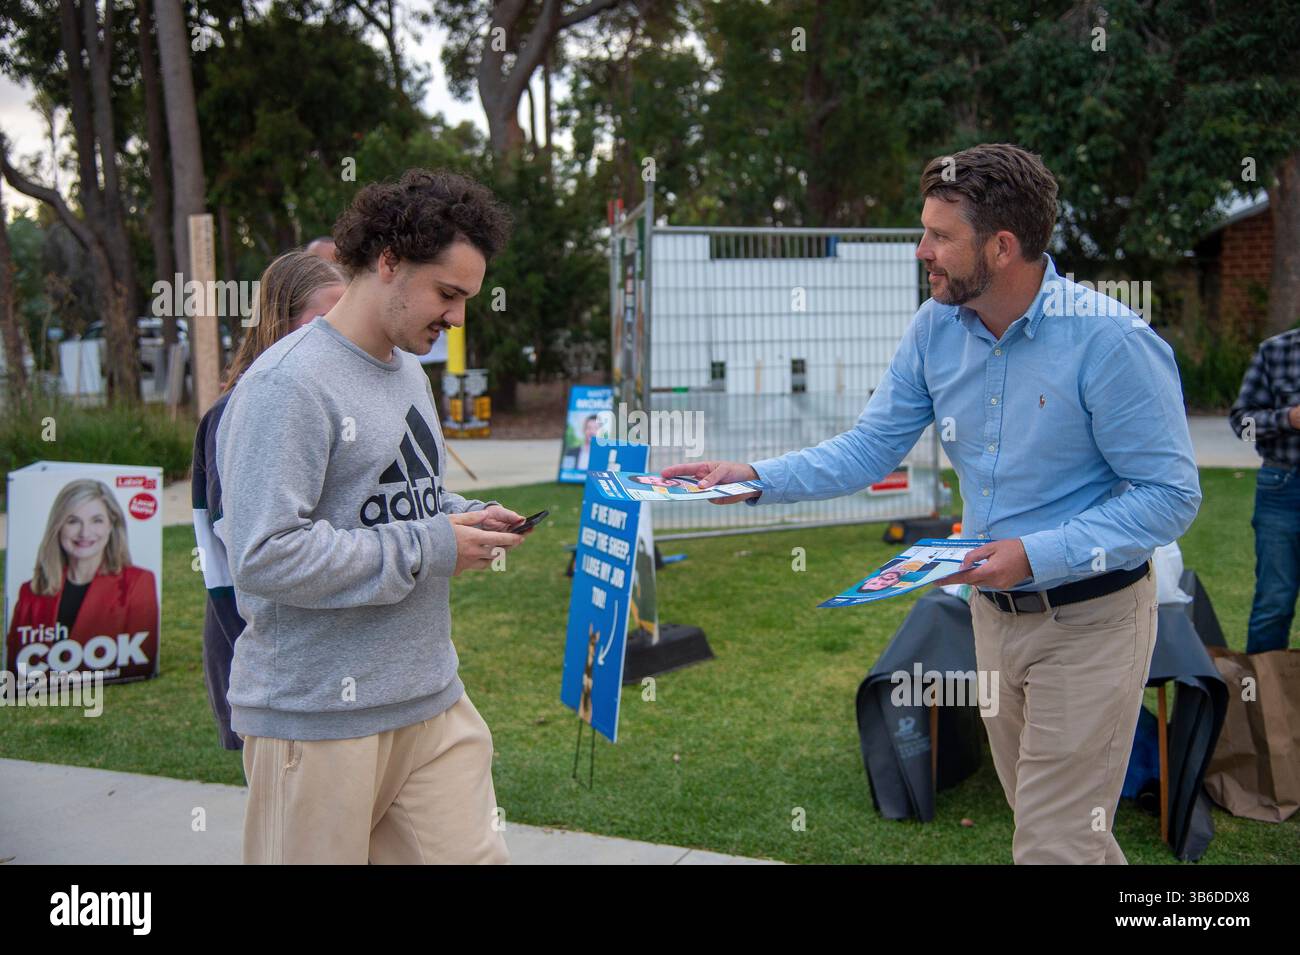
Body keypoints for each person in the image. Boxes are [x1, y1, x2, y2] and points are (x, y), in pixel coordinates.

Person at [664, 143, 1202, 865]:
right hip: (991, 619)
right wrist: (753, 474)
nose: (923, 250)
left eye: (940, 235)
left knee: (1053, 841)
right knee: (1060, 829)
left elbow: (1170, 497)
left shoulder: (1110, 340)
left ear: (1002, 246)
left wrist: (1033, 553)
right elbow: (869, 447)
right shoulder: (933, 330)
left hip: (1093, 620)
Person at [216, 168, 530, 864]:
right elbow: (265, 554)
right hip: (318, 718)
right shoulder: (286, 385)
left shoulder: (407, 368)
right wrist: (429, 543)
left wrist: (465, 518)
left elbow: (401, 499)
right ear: (387, 261)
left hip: (431, 701)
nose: (456, 318)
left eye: (467, 299)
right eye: (447, 293)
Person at [191, 250, 347, 751]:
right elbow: (251, 554)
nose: (337, 334)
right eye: (323, 319)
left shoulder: (326, 400)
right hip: (268, 669)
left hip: (319, 672)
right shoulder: (241, 412)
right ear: (282, 321)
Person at [6, 479, 158, 683]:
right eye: (73, 521)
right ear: (58, 526)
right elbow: (15, 670)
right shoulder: (31, 591)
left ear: (111, 525)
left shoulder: (138, 583)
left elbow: (140, 662)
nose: (85, 532)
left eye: (96, 520)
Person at [1228, 325, 1300, 652]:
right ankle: (1263, 699)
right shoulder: (1276, 351)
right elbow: (1242, 425)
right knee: (1275, 601)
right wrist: (1290, 418)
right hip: (1283, 487)